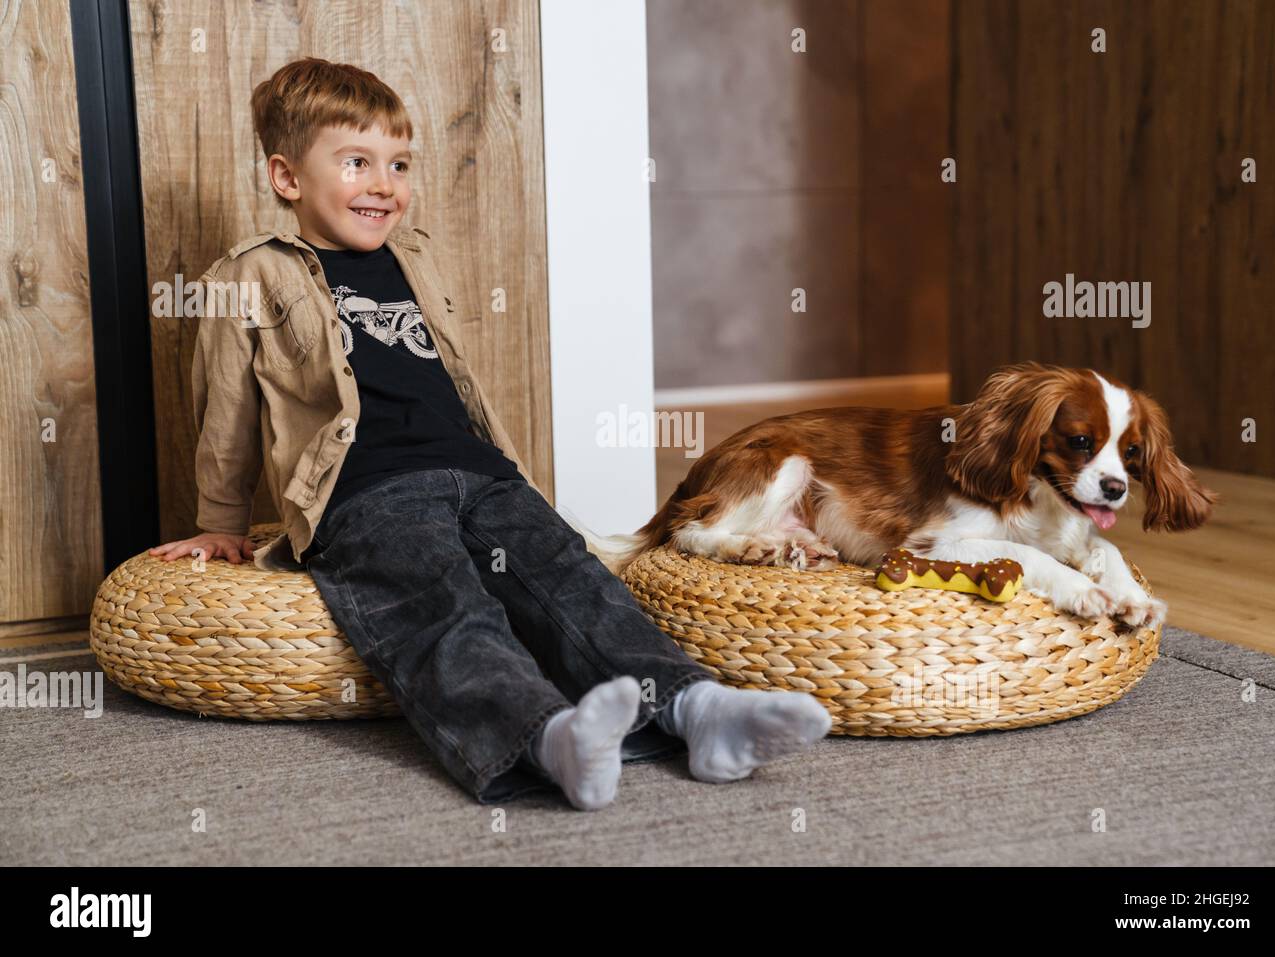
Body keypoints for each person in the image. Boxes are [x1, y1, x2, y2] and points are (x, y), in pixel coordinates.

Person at [150, 57, 830, 810]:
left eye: (399, 164)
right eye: (356, 162)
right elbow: (224, 416)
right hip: (367, 492)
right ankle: (544, 738)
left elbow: (457, 381)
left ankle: (697, 709)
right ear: (287, 179)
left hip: (481, 473)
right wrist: (217, 524)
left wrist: (509, 473)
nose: (385, 184)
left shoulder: (415, 256)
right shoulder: (248, 276)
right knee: (445, 604)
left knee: (573, 582)